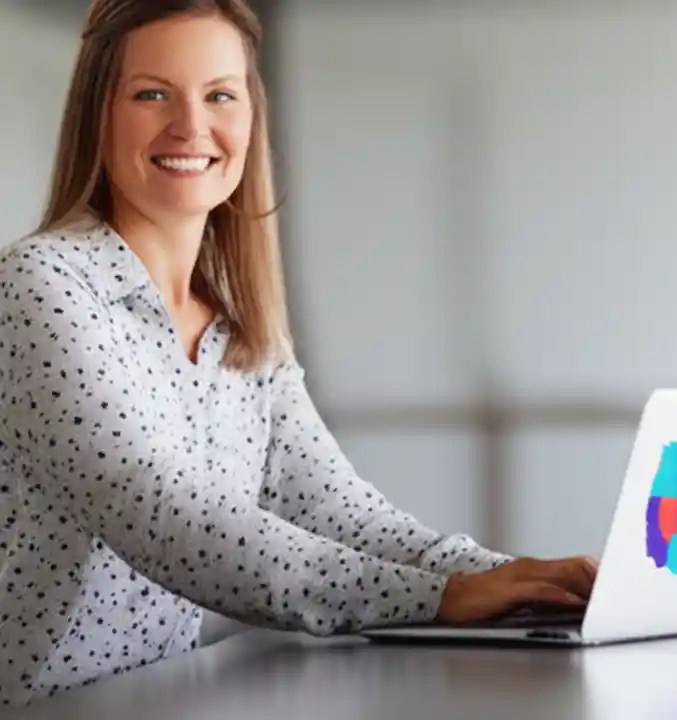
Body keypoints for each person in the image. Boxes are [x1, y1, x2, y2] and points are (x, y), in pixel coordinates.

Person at [0, 0, 596, 708]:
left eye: (220, 95)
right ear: (97, 114)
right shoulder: (42, 287)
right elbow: (164, 517)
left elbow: (341, 513)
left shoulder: (238, 325)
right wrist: (443, 596)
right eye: (151, 93)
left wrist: (528, 585)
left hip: (148, 702)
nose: (191, 126)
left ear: (250, 120)